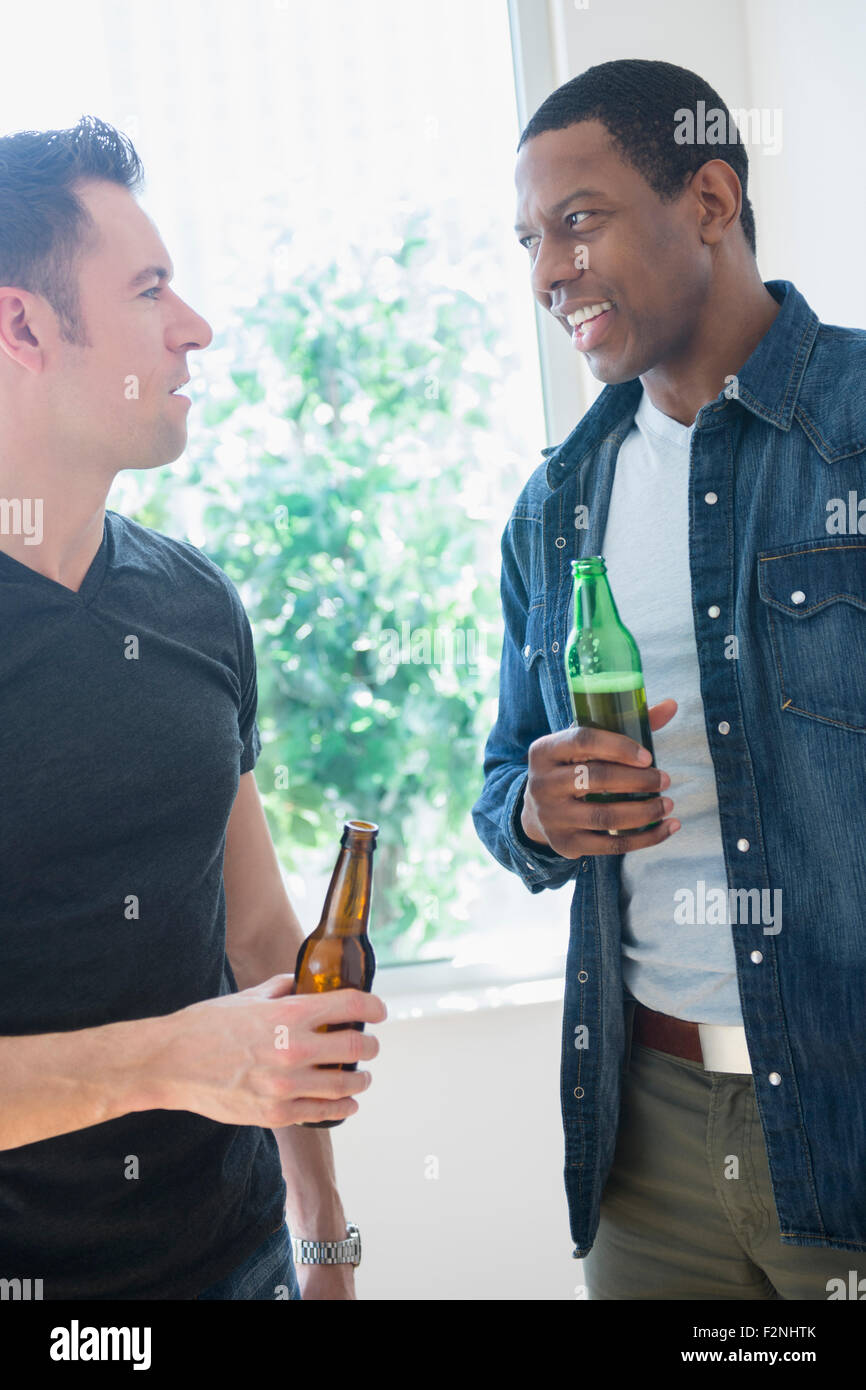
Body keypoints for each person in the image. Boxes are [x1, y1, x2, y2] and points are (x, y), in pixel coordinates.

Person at [473, 58, 866, 1299]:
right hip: (644, 1137)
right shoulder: (553, 511)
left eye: (577, 221)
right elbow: (500, 785)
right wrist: (538, 812)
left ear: (706, 197)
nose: (546, 271)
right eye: (529, 239)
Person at [0, 116, 385, 1301]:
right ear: (22, 324)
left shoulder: (196, 602)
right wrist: (178, 1058)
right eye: (150, 288)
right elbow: (215, 1044)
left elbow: (262, 939)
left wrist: (322, 1231)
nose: (197, 328)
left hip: (235, 1267)